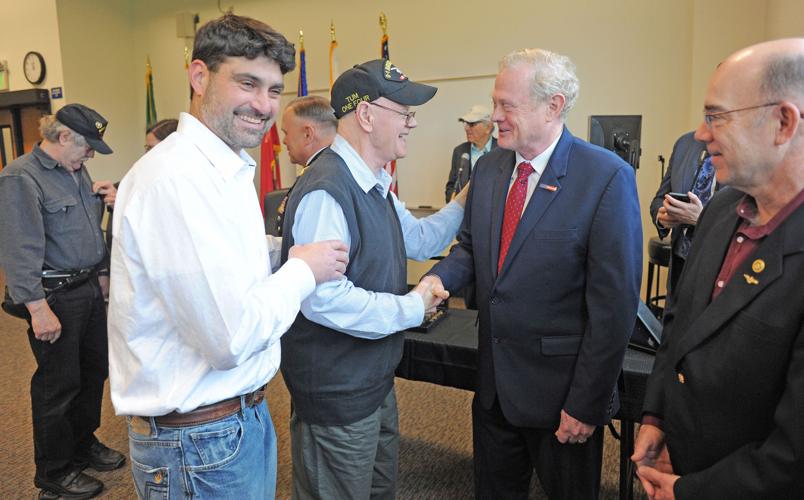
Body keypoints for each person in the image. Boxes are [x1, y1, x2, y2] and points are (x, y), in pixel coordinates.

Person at [107, 14, 348, 499]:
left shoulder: (224, 167)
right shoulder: (178, 180)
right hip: (198, 441)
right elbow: (230, 338)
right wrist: (303, 269)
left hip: (233, 421)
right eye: (247, 83)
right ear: (199, 77)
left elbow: (225, 261)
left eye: (274, 90)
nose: (263, 105)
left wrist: (282, 250)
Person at [421, 48, 642, 499]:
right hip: (493, 389)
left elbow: (613, 307)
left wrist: (586, 403)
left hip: (562, 399)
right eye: (494, 102)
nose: (495, 116)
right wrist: (437, 280)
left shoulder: (604, 177)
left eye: (507, 105)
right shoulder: (488, 169)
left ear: (553, 106)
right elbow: (471, 247)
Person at [279, 58, 465, 499]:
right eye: (404, 113)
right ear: (365, 115)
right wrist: (413, 307)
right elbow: (324, 300)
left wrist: (468, 197)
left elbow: (421, 239)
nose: (412, 123)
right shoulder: (328, 189)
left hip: (372, 381)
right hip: (337, 395)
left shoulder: (375, 182)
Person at [633, 38, 804, 500]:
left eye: (716, 116)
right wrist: (656, 416)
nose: (700, 134)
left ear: (783, 123)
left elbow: (793, 456)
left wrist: (689, 491)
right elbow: (679, 323)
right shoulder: (722, 210)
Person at [0, 104, 124, 499]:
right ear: (64, 136)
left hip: (87, 288)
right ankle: (54, 472)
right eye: (88, 146)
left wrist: (101, 276)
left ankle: (82, 444)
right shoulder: (20, 177)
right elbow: (18, 250)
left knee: (93, 372)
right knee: (58, 385)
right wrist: (37, 309)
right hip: (54, 297)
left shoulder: (75, 169)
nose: (91, 155)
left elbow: (86, 229)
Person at [649, 131, 714, 294]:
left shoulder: (746, 153)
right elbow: (659, 199)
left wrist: (701, 219)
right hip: (679, 266)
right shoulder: (684, 144)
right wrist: (662, 217)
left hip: (715, 269)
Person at [274, 95, 338, 235]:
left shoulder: (321, 180)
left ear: (308, 134)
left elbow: (315, 243)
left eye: (286, 133)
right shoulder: (322, 170)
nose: (284, 141)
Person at [444, 104, 497, 203]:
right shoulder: (460, 151)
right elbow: (451, 186)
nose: (466, 128)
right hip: (464, 210)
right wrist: (453, 201)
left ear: (488, 128)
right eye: (466, 124)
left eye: (472, 124)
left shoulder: (504, 150)